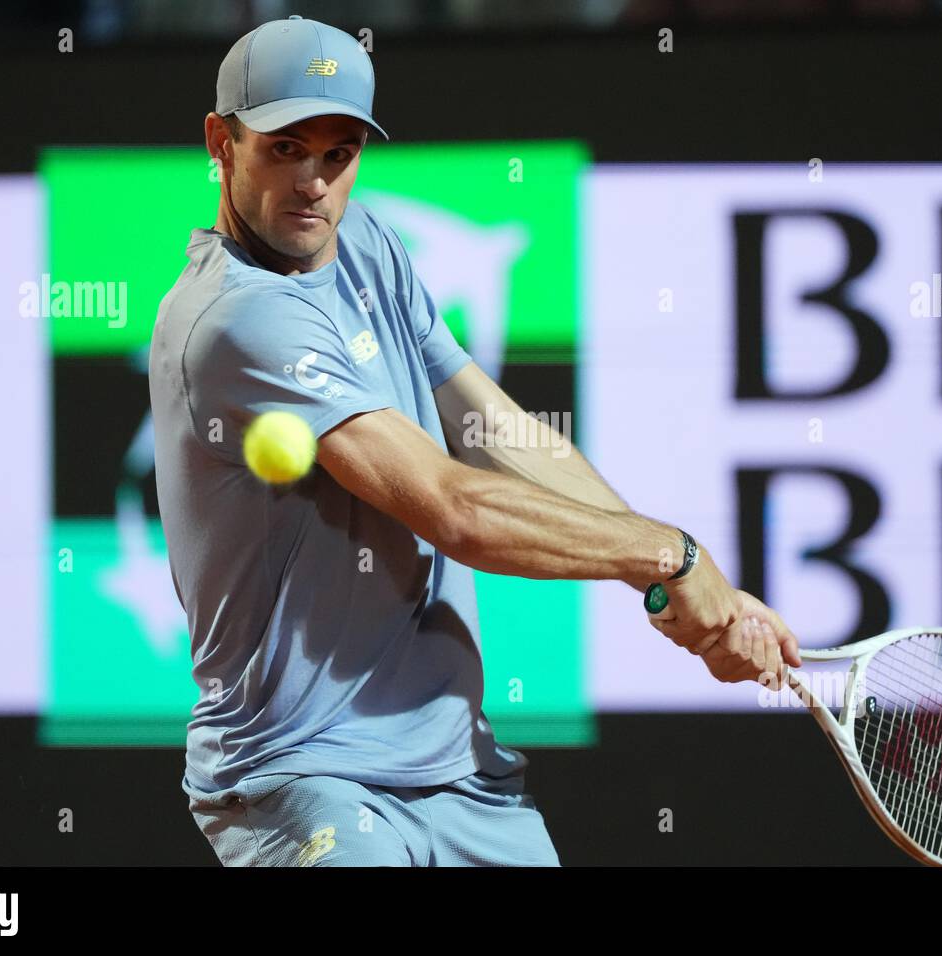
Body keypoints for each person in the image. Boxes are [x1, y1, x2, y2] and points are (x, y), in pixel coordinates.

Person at [148, 15, 800, 867]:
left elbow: (496, 432)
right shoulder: (236, 320)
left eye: (338, 154)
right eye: (284, 149)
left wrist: (686, 585)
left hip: (461, 773)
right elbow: (455, 508)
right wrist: (670, 558)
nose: (313, 183)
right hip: (304, 778)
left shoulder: (365, 248)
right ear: (220, 142)